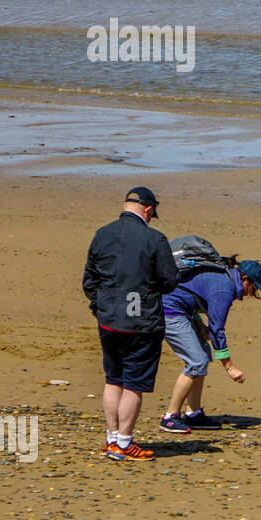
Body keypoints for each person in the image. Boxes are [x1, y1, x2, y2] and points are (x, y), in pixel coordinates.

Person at [82, 186, 179, 461]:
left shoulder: (103, 234)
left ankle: (112, 438)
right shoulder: (154, 238)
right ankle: (123, 443)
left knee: (113, 380)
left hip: (109, 318)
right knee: (133, 384)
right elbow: (170, 280)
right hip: (139, 321)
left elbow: (89, 280)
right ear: (147, 210)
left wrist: (101, 305)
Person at [159, 257, 261, 432]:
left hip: (181, 310)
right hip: (169, 311)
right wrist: (230, 367)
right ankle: (170, 417)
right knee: (197, 362)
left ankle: (193, 413)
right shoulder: (224, 289)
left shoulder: (224, 278)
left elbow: (190, 294)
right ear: (244, 279)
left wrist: (200, 324)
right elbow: (217, 330)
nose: (250, 294)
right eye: (253, 288)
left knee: (203, 355)